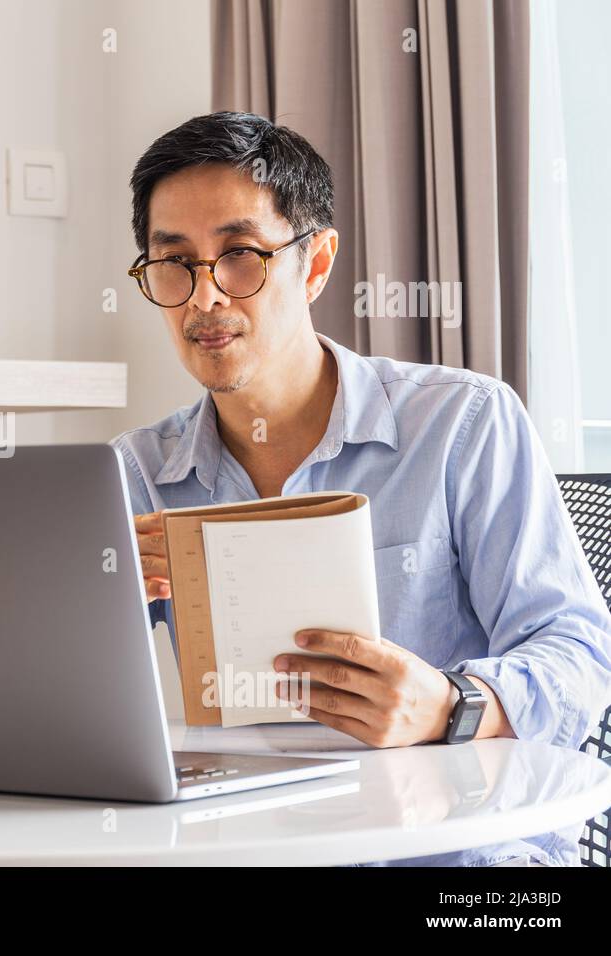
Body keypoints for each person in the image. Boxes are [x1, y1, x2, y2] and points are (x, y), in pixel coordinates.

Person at [111, 111, 611, 866]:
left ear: (314, 265)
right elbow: (64, 701)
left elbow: (583, 655)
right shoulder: (136, 472)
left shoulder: (463, 422)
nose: (204, 299)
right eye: (174, 263)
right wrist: (96, 602)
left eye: (240, 255)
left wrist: (451, 704)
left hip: (461, 861)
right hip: (252, 851)